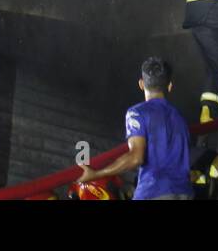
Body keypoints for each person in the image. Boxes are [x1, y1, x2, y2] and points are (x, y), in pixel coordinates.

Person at [79, 57, 192, 200]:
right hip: (184, 192)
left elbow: (135, 158)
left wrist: (96, 174)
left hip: (154, 192)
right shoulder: (180, 118)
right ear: (169, 86)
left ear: (141, 84)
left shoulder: (138, 113)